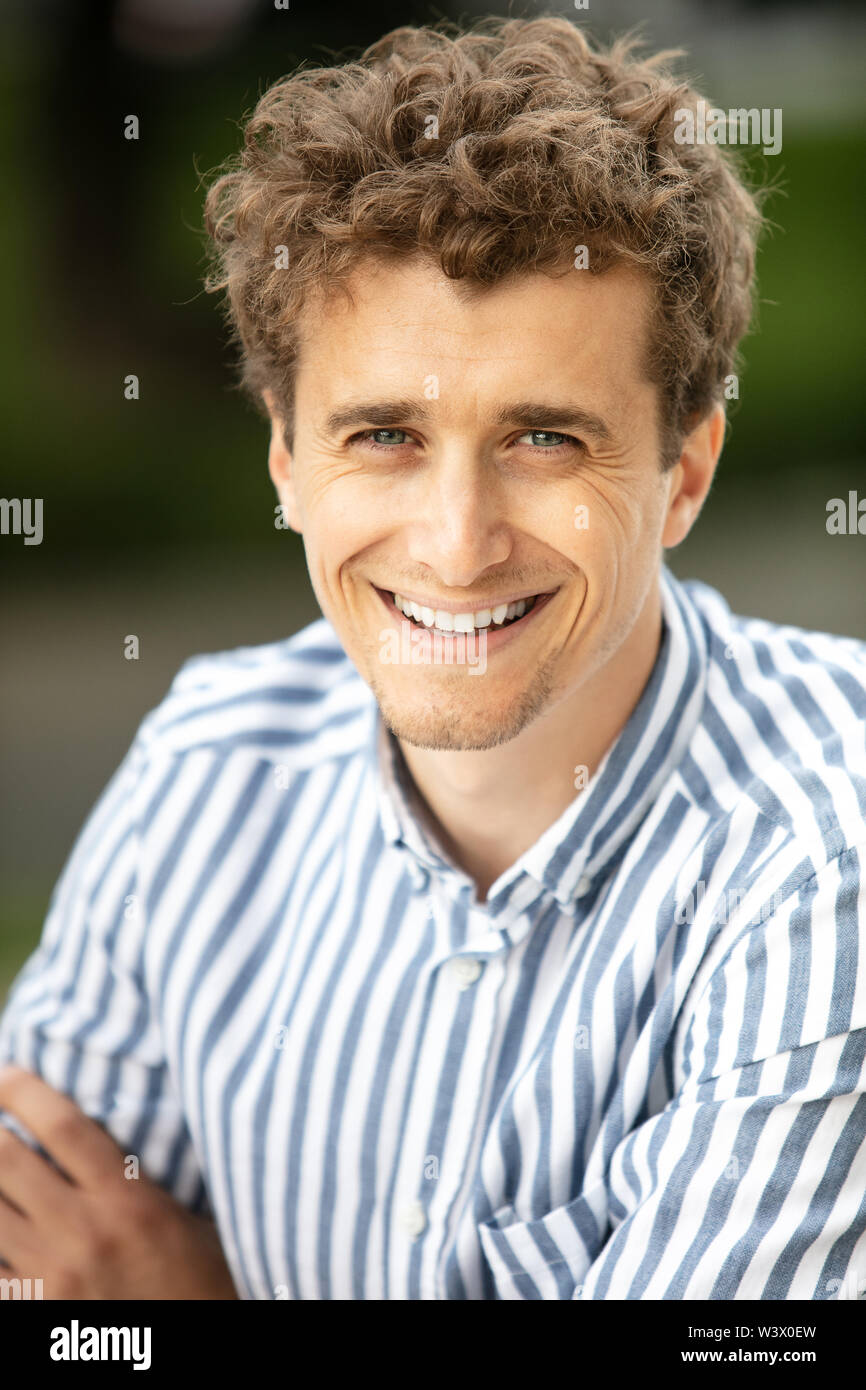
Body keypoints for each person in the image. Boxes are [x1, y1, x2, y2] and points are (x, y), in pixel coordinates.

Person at [1, 16, 864, 1301]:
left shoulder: (822, 858)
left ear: (683, 472)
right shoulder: (208, 763)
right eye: (385, 435)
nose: (456, 548)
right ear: (288, 461)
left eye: (546, 439)